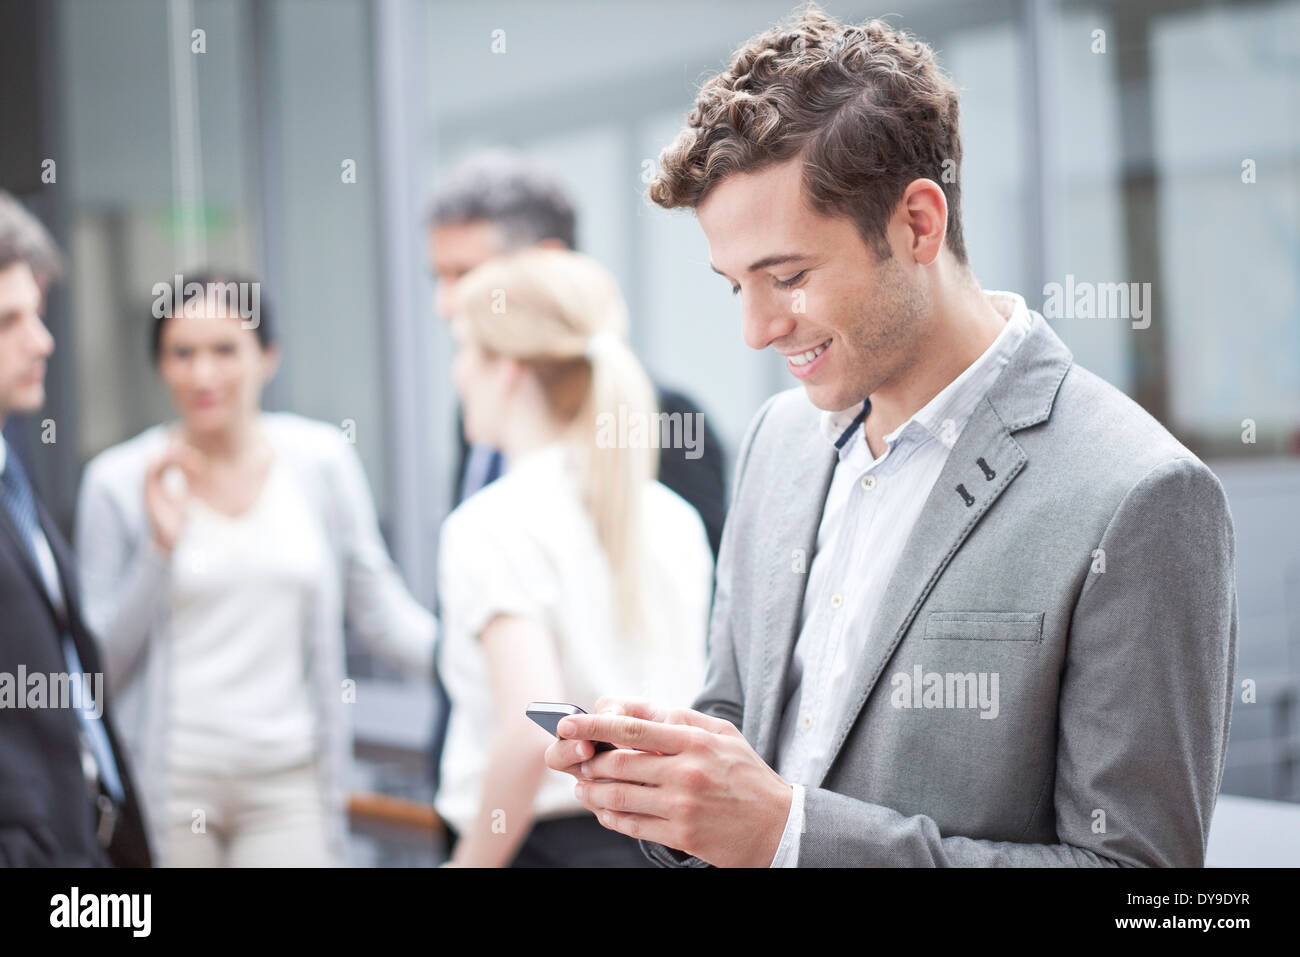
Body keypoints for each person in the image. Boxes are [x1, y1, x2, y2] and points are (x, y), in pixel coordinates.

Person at [546, 9, 1237, 867]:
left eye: (788, 276)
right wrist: (673, 786)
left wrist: (787, 835)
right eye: (735, 287)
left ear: (917, 223)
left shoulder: (1140, 494)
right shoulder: (778, 442)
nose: (757, 331)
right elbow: (741, 720)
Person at [74, 272, 436, 867]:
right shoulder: (118, 482)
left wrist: (479, 659)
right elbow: (97, 667)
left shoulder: (321, 462)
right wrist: (158, 551)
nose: (203, 375)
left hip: (288, 782)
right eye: (182, 354)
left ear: (268, 356)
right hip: (171, 782)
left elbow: (382, 613)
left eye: (225, 350)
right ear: (160, 365)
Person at [424, 149, 728, 807]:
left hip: (591, 806)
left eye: (467, 276)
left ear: (550, 262)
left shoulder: (667, 426)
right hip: (503, 798)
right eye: (438, 277)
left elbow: (697, 634)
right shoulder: (476, 419)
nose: (449, 302)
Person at [0, 191, 151, 866]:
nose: (43, 340)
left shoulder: (14, 471)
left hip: (91, 839)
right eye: (9, 321)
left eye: (36, 313)